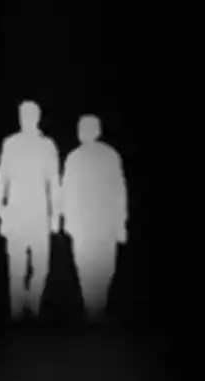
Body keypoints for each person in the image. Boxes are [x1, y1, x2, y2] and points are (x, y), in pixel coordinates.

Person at [0, 100, 61, 319]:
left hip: (39, 212)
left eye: (30, 115)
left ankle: (31, 303)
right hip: (18, 212)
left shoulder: (47, 145)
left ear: (37, 117)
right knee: (17, 264)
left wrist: (55, 215)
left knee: (40, 265)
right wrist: (0, 206)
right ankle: (18, 309)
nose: (27, 119)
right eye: (24, 115)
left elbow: (54, 181)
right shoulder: (11, 144)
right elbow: (2, 177)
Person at [60, 114, 127, 321]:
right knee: (88, 266)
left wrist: (120, 223)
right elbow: (67, 190)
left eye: (88, 128)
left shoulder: (109, 156)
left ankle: (97, 307)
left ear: (96, 131)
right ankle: (93, 309)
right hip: (85, 223)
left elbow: (118, 191)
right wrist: (68, 218)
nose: (84, 132)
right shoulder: (75, 157)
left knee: (103, 267)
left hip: (102, 222)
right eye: (82, 128)